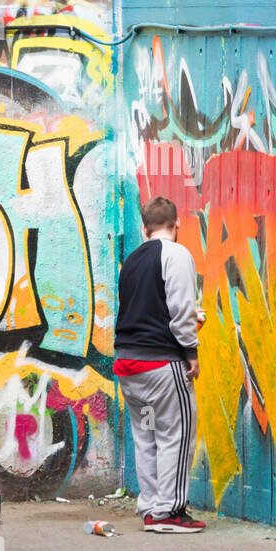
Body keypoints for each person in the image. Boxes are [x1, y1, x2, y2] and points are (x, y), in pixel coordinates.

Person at [114, 196, 206, 533]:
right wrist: (191, 352)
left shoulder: (133, 260)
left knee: (148, 437)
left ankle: (152, 507)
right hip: (161, 367)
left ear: (144, 228)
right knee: (176, 435)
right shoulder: (177, 254)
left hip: (128, 365)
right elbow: (181, 312)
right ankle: (169, 513)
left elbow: (148, 309)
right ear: (177, 224)